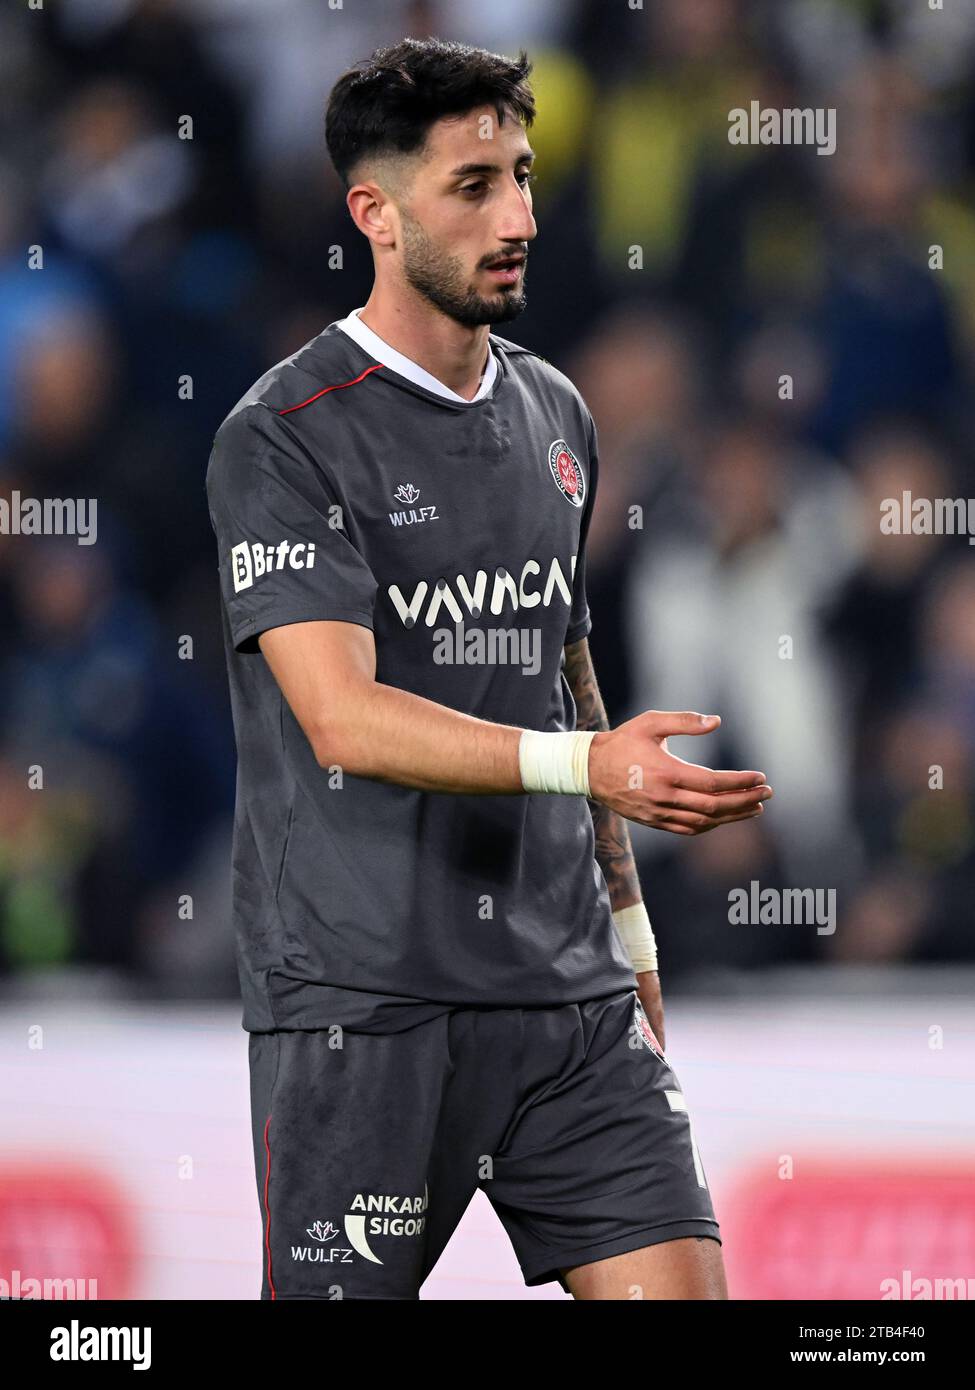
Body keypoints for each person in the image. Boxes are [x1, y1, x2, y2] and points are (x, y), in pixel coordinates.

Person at [205, 36, 772, 1302]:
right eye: (474, 186)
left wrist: (631, 942)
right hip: (365, 1008)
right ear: (377, 213)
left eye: (521, 174)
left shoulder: (558, 413)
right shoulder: (282, 439)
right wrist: (591, 769)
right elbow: (340, 718)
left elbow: (563, 665)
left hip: (568, 999)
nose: (518, 213)